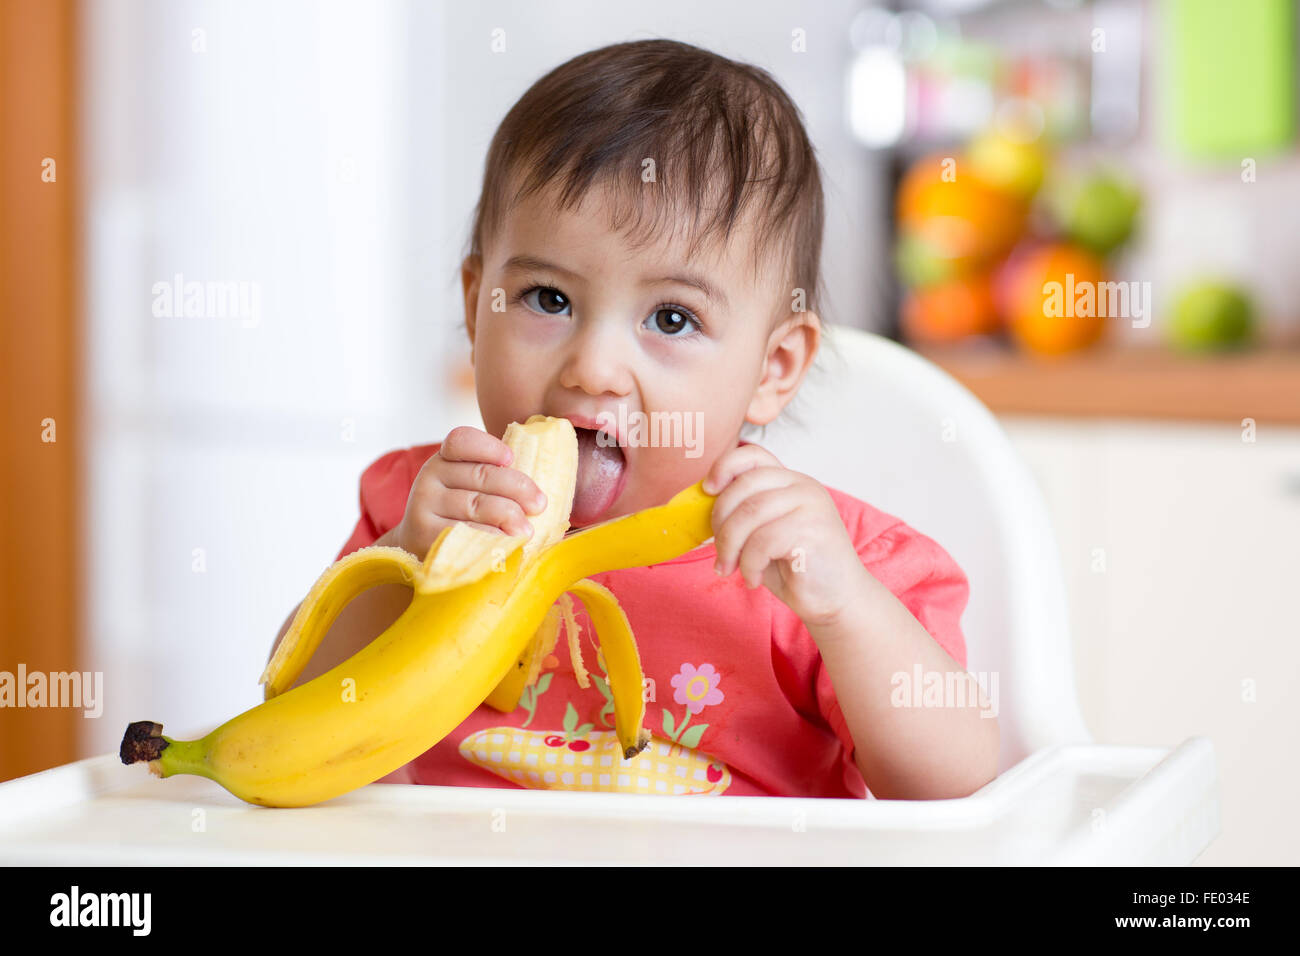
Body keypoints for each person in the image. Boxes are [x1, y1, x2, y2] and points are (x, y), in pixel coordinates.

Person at [268, 38, 997, 799]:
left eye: (672, 319)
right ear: (476, 308)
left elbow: (953, 784)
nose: (593, 368)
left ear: (773, 368)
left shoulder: (814, 560)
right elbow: (293, 715)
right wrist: (408, 564)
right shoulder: (422, 509)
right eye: (548, 299)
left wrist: (845, 609)